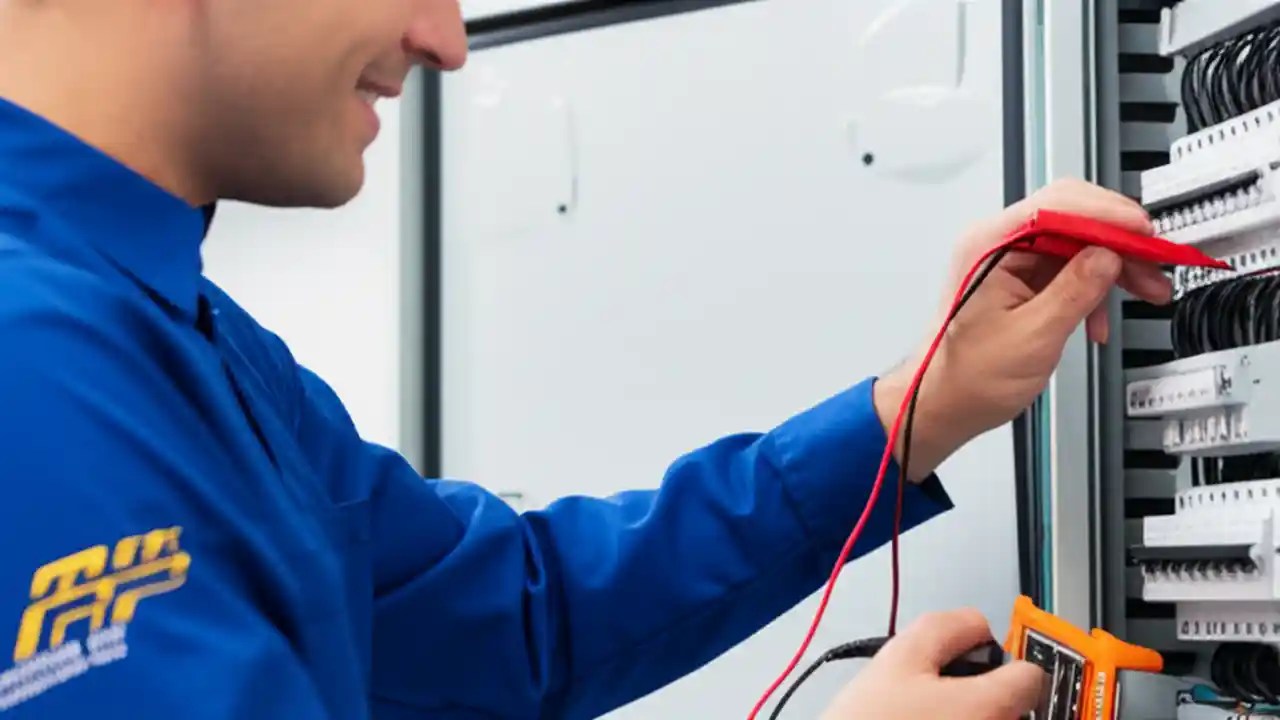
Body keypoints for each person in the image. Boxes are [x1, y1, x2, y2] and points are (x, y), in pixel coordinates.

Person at [0, 1, 1170, 718]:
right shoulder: (36, 363)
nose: (447, 41)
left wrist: (912, 412)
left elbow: (517, 621)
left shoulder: (172, 334)